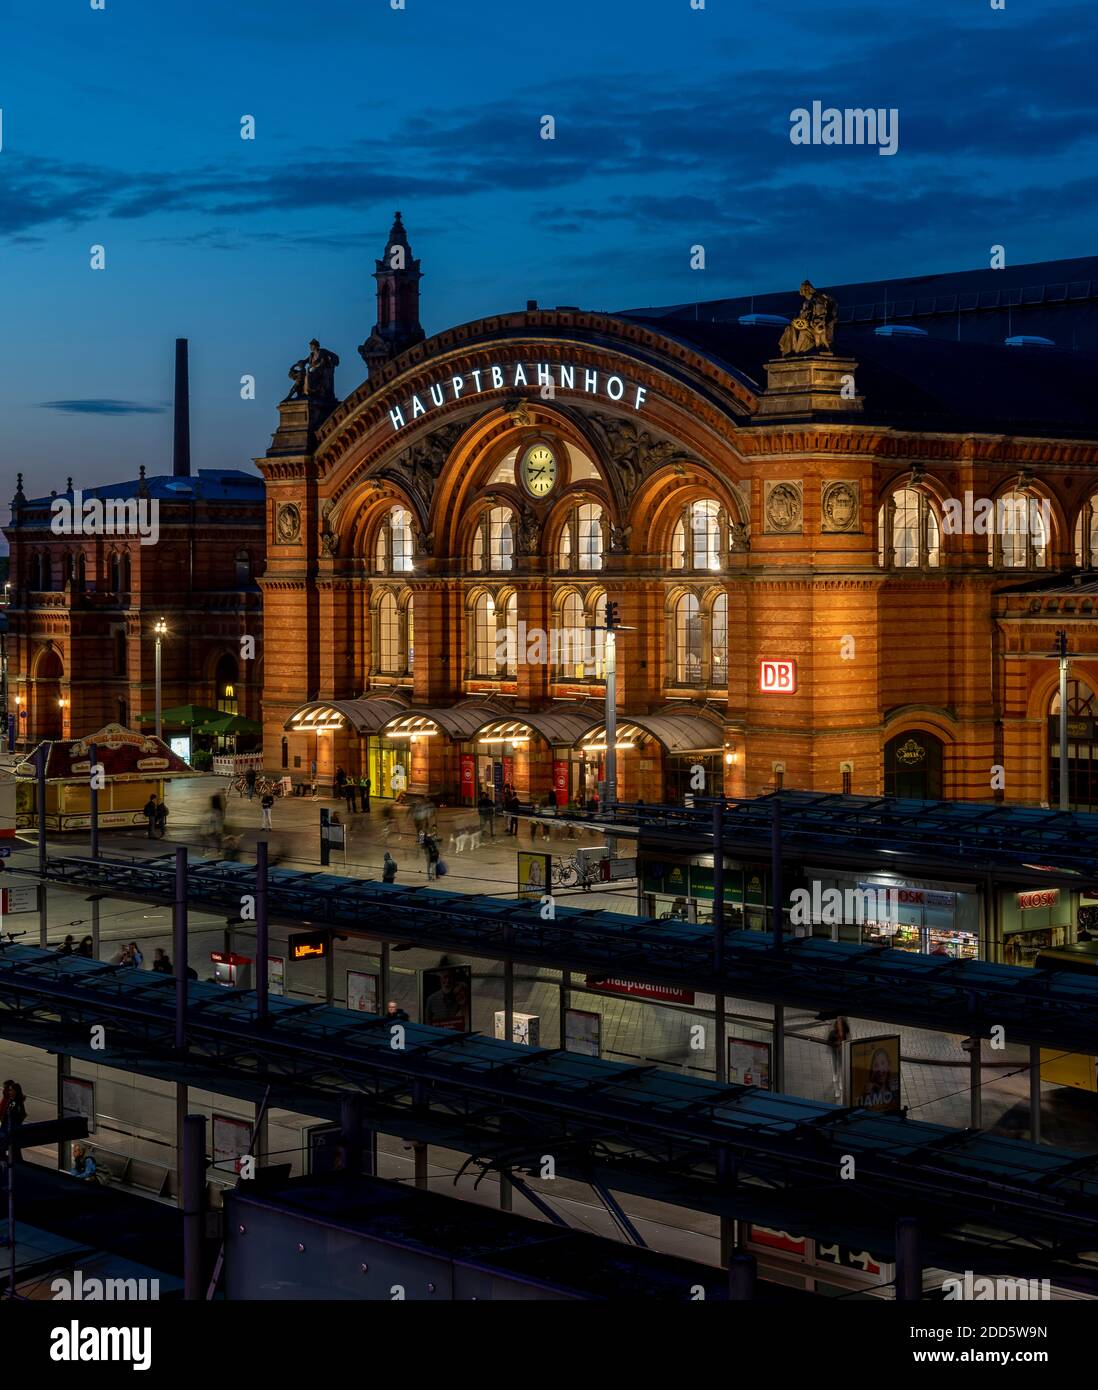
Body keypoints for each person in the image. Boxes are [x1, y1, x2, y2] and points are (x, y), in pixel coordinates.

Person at [827, 1016, 850, 1103]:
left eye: (841, 1024)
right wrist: (836, 1043)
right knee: (836, 1070)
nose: (839, 1025)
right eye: (838, 1023)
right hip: (836, 1053)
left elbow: (848, 1039)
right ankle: (837, 1087)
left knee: (841, 1070)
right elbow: (829, 1041)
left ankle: (839, 1084)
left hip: (843, 1054)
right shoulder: (833, 1033)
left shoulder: (845, 1032)